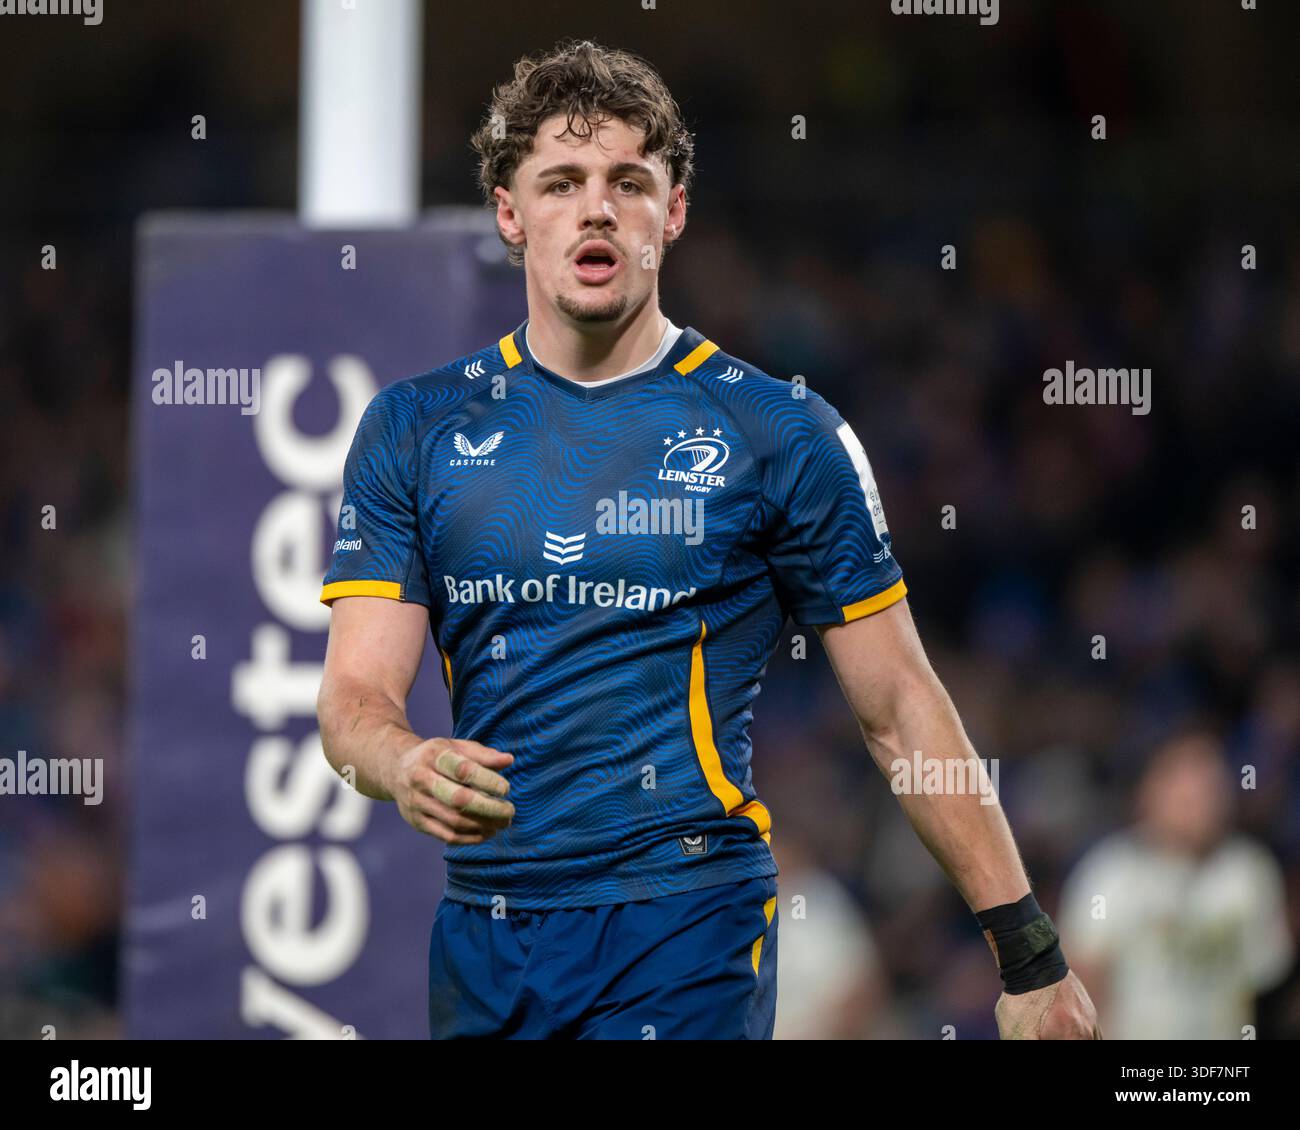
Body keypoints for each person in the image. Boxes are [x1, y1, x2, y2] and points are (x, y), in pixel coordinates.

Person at [316, 38, 1099, 1040]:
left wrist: (1028, 955)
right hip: (487, 929)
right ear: (510, 214)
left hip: (684, 922)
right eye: (559, 181)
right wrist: (403, 760)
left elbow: (900, 703)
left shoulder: (778, 432)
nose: (596, 207)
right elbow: (352, 700)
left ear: (672, 210)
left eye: (627, 182)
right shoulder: (413, 428)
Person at [1060, 730, 1293, 1038]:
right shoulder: (1110, 872)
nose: (1199, 805)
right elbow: (1081, 984)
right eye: (1185, 792)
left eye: (1209, 791)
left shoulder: (1249, 872)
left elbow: (1264, 981)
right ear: (1150, 791)